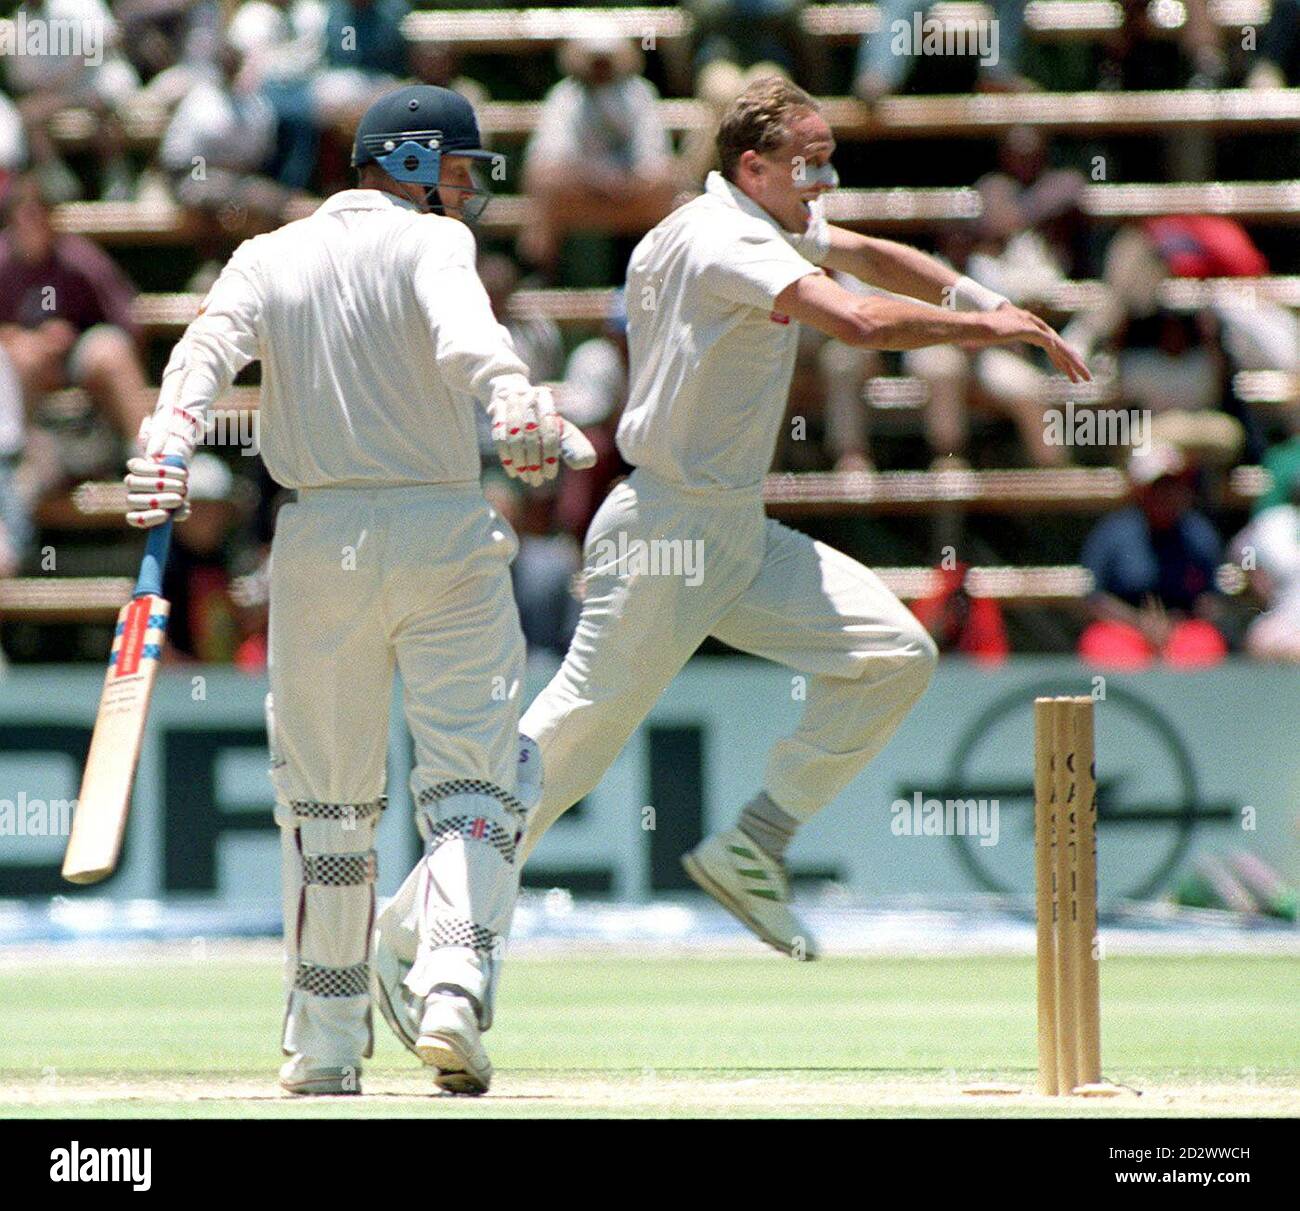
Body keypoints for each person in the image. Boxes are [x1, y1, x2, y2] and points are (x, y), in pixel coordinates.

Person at [508, 76, 1088, 957]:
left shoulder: (755, 219)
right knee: (575, 740)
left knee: (893, 654)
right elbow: (855, 317)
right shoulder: (726, 241)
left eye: (829, 162)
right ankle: (425, 919)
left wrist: (984, 301)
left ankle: (755, 842)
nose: (823, 182)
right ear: (754, 165)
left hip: (731, 529)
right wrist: (983, 337)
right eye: (810, 165)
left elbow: (863, 254)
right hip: (666, 527)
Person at [122, 83, 594, 1096]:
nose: (468, 193)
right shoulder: (435, 247)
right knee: (473, 779)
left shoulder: (268, 252)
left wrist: (168, 435)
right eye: (459, 170)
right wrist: (512, 396)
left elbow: (203, 351)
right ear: (415, 162)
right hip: (439, 525)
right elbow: (468, 338)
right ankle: (454, 983)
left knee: (327, 806)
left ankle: (325, 1041)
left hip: (317, 537)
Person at [1079, 444, 1228, 669]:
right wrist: (1139, 622)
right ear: (1140, 490)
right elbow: (1093, 598)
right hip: (1124, 630)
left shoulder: (1199, 535)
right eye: (1158, 486)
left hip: (1183, 630)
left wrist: (1176, 623)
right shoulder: (1112, 533)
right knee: (1103, 646)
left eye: (1174, 485)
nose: (1167, 494)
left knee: (1206, 644)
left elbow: (1212, 598)